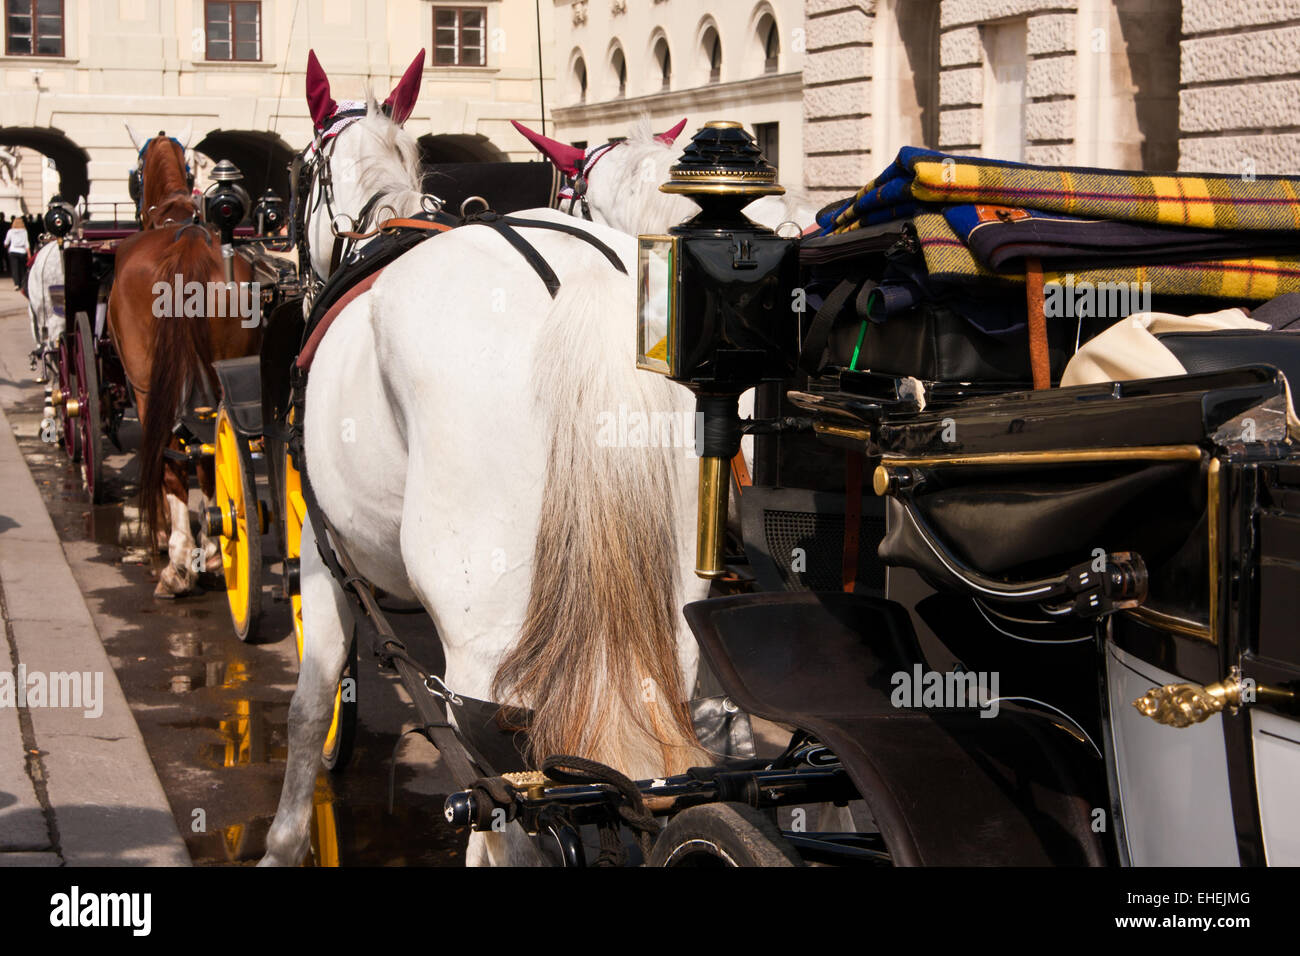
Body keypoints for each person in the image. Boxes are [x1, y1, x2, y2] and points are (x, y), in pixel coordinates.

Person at [4, 216, 29, 289]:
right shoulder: (24, 231)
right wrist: (29, 253)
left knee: (15, 268)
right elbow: (26, 243)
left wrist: (5, 245)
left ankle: (17, 283)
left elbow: (6, 241)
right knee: (22, 268)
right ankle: (23, 283)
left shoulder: (10, 231)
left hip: (13, 251)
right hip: (22, 251)